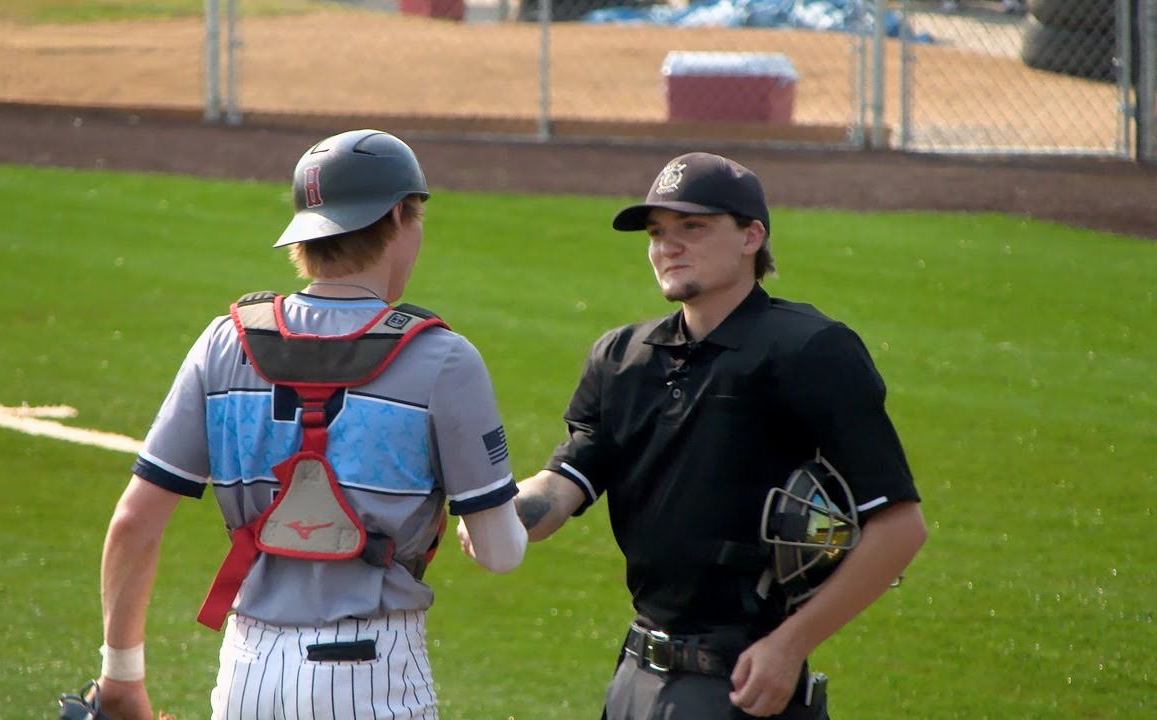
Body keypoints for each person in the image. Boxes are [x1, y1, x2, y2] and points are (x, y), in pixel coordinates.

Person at [460, 152, 927, 719]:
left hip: (741, 682)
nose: (667, 247)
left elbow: (899, 526)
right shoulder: (621, 357)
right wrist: (500, 510)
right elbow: (566, 481)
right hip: (634, 675)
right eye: (657, 233)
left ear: (752, 236)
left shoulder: (809, 350)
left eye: (693, 228)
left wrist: (791, 644)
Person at [97, 129, 527, 720]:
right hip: (373, 678)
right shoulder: (444, 360)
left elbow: (133, 521)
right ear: (400, 215)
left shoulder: (225, 343)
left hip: (246, 674)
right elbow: (500, 552)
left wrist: (121, 674)